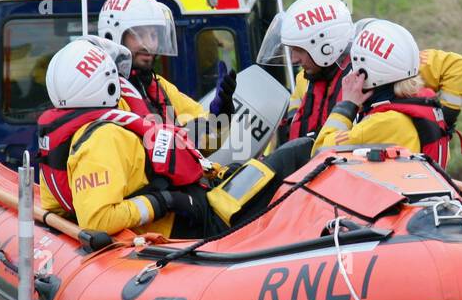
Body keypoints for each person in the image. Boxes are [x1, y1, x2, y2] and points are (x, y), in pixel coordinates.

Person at [37, 40, 311, 240]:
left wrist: (221, 113)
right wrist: (162, 202)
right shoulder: (103, 137)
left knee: (254, 167)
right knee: (295, 154)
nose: (150, 44)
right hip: (191, 219)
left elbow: (189, 142)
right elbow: (97, 219)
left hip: (196, 195)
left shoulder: (77, 126)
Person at [312, 18, 462, 166]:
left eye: (355, 67)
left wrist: (346, 105)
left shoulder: (382, 123)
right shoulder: (424, 102)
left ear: (366, 72)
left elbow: (319, 153)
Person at [97, 0, 236, 128]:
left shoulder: (159, 87)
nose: (150, 45)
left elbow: (205, 139)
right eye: (139, 35)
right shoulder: (104, 93)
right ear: (112, 36)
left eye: (154, 35)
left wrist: (219, 117)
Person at [257, 0, 355, 145]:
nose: (294, 59)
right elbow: (288, 127)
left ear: (327, 47)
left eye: (299, 50)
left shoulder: (358, 85)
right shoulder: (304, 78)